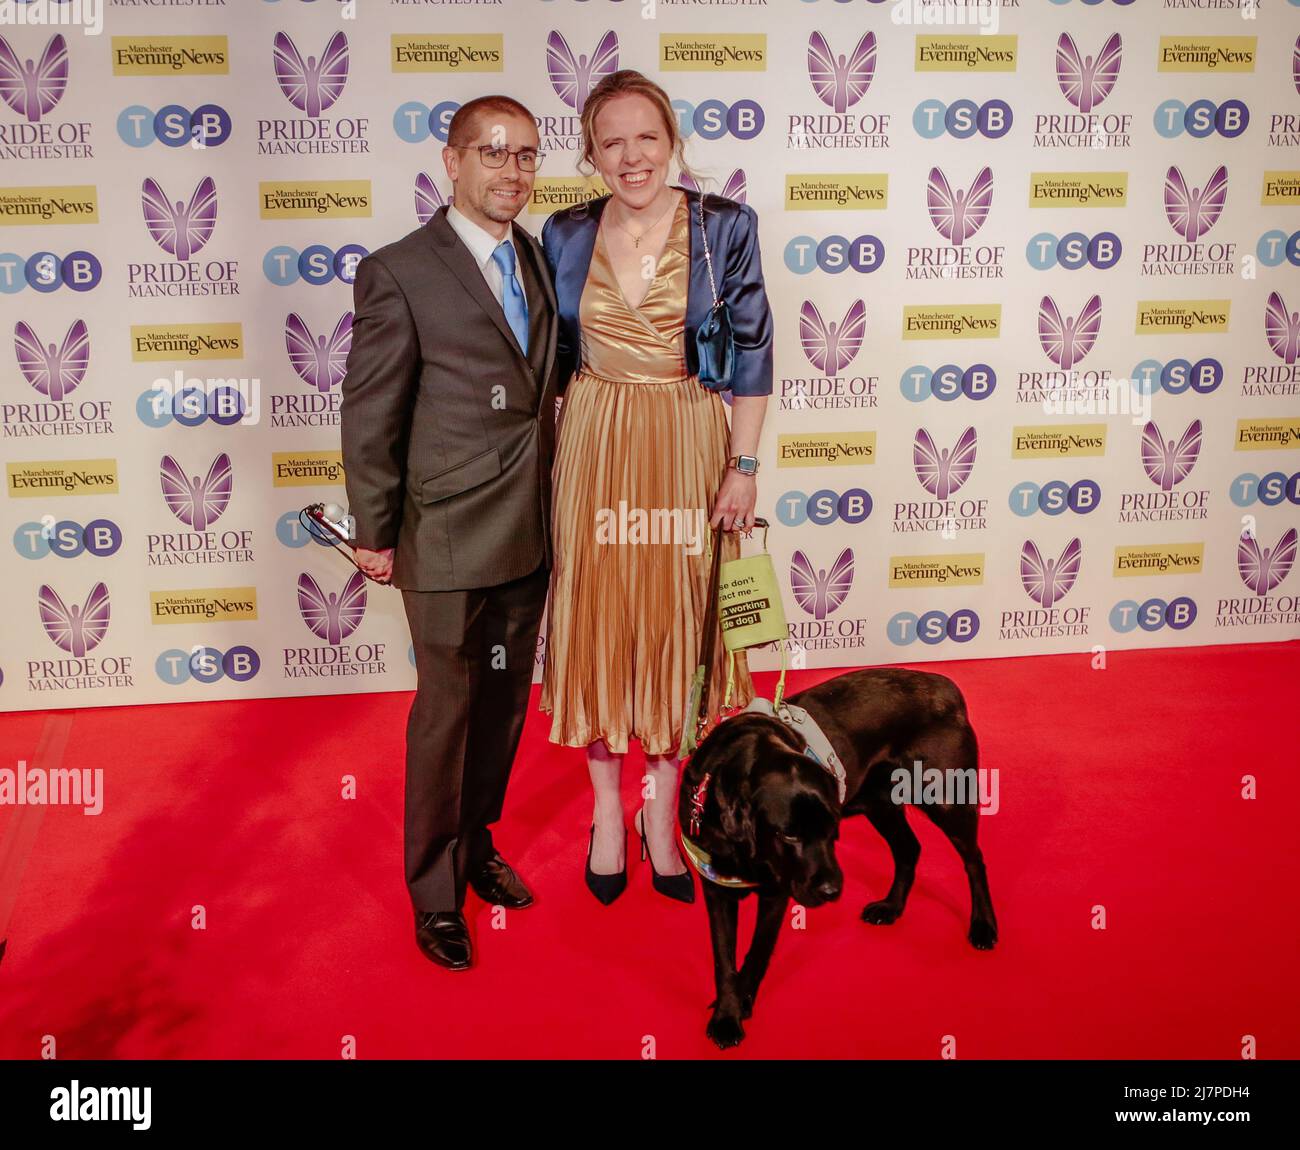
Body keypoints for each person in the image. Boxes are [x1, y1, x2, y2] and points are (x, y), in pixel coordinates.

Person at [539, 70, 773, 905]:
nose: (631, 156)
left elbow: (752, 353)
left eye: (646, 137)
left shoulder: (724, 227)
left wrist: (741, 469)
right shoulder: (563, 232)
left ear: (672, 139)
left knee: (679, 619)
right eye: (612, 141)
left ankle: (660, 811)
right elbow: (547, 365)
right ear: (591, 152)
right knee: (600, 620)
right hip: (596, 440)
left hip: (686, 439)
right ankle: (608, 812)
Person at [339, 95, 558, 970]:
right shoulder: (399, 270)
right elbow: (371, 411)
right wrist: (375, 529)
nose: (513, 171)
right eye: (494, 153)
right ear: (453, 162)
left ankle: (476, 845)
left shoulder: (537, 260)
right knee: (447, 712)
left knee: (504, 706)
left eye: (528, 156)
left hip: (527, 531)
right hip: (441, 533)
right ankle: (434, 892)